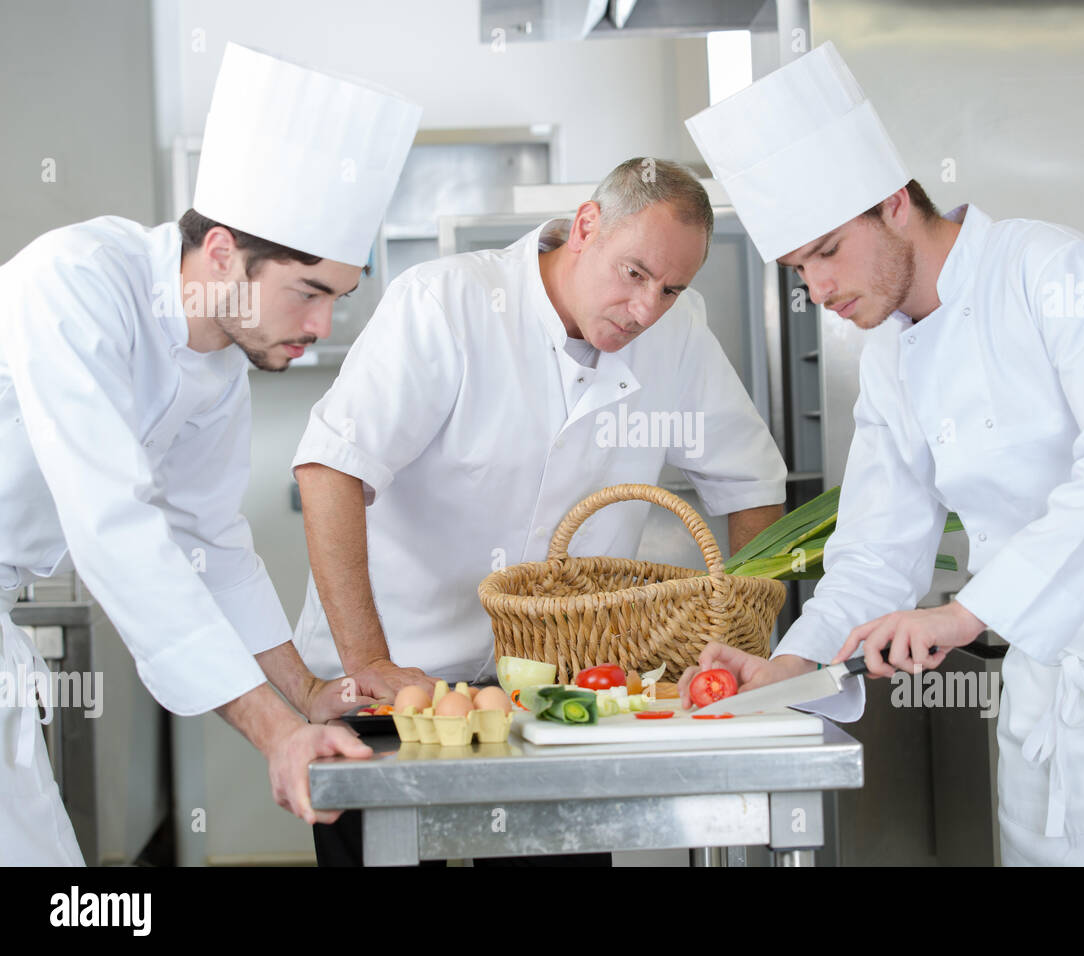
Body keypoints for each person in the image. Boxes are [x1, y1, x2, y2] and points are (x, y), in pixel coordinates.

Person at [678, 42, 1084, 865]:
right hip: (1045, 673)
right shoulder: (892, 353)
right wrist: (792, 661)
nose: (817, 289)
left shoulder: (1050, 270)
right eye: (797, 268)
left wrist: (966, 613)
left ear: (890, 202)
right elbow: (878, 548)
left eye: (825, 252)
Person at [292, 158, 788, 864]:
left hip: (557, 691)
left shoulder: (677, 337)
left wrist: (742, 644)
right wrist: (368, 657)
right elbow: (330, 469)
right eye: (635, 274)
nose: (647, 309)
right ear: (586, 226)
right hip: (397, 679)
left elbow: (751, 486)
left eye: (673, 288)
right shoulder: (449, 303)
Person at [0, 42, 420, 864]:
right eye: (309, 292)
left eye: (338, 299)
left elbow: (211, 548)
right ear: (223, 252)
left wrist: (308, 698)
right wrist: (272, 734)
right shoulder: (73, 282)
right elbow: (111, 526)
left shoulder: (218, 367)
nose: (321, 327)